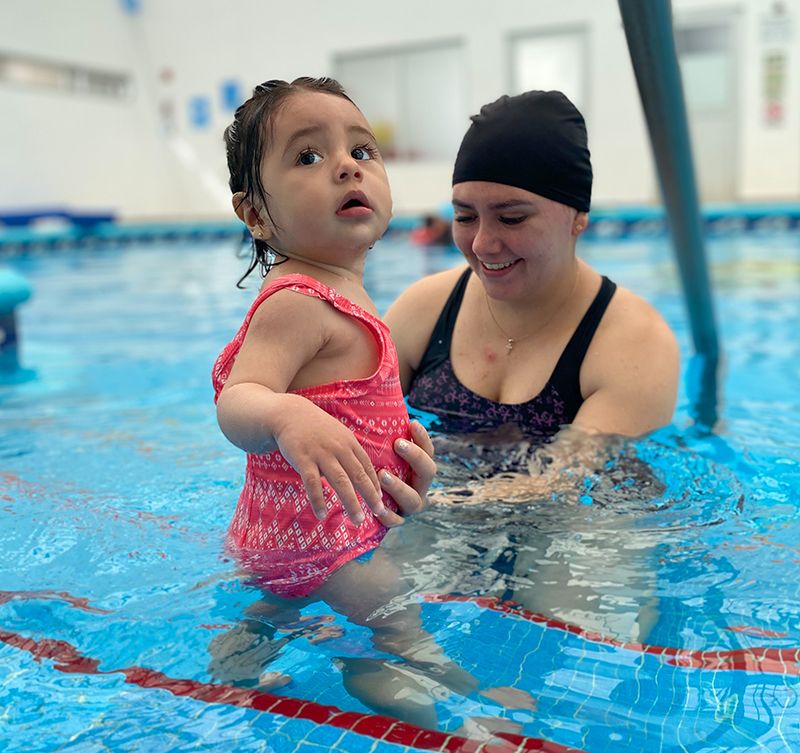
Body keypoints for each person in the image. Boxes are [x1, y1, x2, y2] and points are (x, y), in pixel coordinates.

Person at [210, 76, 532, 731]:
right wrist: (283, 413)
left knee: (266, 616)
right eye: (307, 156)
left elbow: (349, 403)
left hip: (290, 532)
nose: (346, 164)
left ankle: (231, 675)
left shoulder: (339, 292)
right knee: (399, 625)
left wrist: (400, 443)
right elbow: (239, 401)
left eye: (363, 149)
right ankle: (460, 720)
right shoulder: (298, 300)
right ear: (256, 214)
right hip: (328, 541)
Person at [385, 89, 679, 468]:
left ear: (578, 216)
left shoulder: (634, 343)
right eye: (465, 217)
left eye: (512, 218)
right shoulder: (424, 310)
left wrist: (423, 500)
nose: (482, 244)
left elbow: (558, 492)